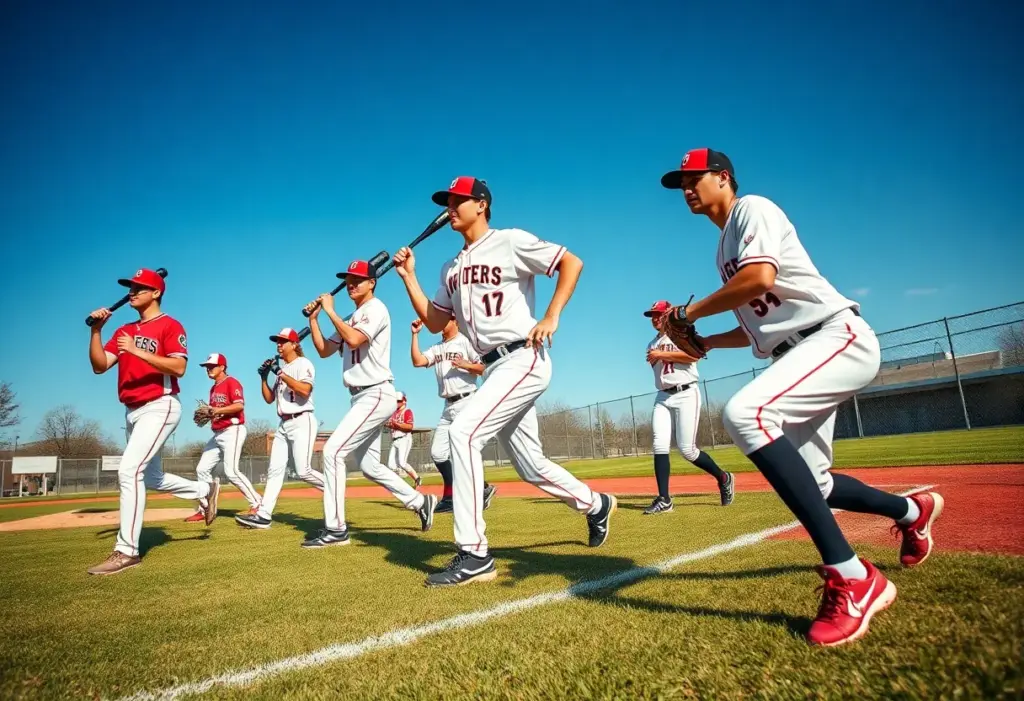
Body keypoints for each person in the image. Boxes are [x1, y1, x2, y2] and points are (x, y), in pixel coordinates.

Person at [660, 148, 944, 646]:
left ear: (724, 178)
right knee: (818, 484)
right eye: (680, 181)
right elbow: (758, 328)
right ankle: (911, 512)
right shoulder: (724, 249)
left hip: (835, 338)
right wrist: (703, 341)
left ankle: (853, 577)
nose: (686, 187)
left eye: (694, 177)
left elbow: (760, 280)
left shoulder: (754, 210)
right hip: (798, 349)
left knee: (745, 413)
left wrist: (690, 312)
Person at [393, 176, 616, 587]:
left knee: (462, 434)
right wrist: (409, 277)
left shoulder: (509, 240)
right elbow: (436, 321)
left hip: (522, 357)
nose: (451, 207)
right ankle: (596, 504)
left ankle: (475, 554)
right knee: (531, 466)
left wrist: (551, 316)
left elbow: (571, 262)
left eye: (459, 200)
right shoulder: (451, 267)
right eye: (448, 202)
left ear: (481, 205)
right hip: (493, 369)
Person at [86, 268, 218, 575]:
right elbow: (100, 365)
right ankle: (204, 490)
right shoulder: (122, 330)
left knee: (129, 470)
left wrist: (136, 350)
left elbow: (179, 367)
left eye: (139, 287)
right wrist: (96, 332)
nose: (132, 292)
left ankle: (126, 551)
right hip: (131, 410)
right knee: (151, 477)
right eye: (130, 288)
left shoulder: (170, 325)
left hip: (160, 405)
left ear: (156, 292)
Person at [302, 260, 437, 548]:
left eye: (358, 279)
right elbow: (325, 350)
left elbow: (352, 340)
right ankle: (420, 501)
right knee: (369, 465)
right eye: (348, 279)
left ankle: (336, 529)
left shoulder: (375, 309)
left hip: (376, 392)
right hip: (360, 396)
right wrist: (314, 320)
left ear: (372, 283)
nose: (351, 284)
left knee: (332, 452)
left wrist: (329, 310)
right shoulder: (352, 315)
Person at [641, 301, 733, 514]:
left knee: (687, 450)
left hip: (686, 393)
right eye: (652, 315)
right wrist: (659, 353)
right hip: (663, 396)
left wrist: (663, 355)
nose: (654, 318)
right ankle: (664, 499)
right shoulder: (651, 344)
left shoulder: (681, 336)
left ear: (668, 315)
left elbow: (695, 356)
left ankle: (723, 477)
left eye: (658, 314)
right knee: (659, 444)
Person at [235, 329, 325, 529]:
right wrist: (264, 378)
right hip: (283, 424)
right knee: (275, 470)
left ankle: (333, 489)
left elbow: (304, 390)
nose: (279, 344)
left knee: (303, 470)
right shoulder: (281, 369)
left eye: (283, 341)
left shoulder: (303, 364)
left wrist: (279, 372)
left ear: (294, 344)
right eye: (277, 341)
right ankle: (264, 515)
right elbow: (269, 399)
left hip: (302, 419)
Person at [410, 318, 497, 513]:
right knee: (438, 453)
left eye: (445, 318)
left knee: (461, 450)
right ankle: (482, 488)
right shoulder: (437, 347)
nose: (440, 321)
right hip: (447, 406)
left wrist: (466, 365)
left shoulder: (465, 341)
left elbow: (484, 367)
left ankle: (451, 497)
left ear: (455, 320)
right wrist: (415, 335)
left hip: (467, 400)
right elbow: (417, 361)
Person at [185, 353, 261, 523]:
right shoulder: (213, 388)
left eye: (212, 366)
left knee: (231, 471)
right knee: (202, 469)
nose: (208, 369)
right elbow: (216, 410)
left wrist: (216, 411)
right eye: (207, 367)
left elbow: (239, 405)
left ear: (222, 367)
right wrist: (209, 415)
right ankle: (206, 507)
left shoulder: (231, 382)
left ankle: (257, 502)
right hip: (218, 433)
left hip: (232, 430)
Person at [385, 391, 421, 486]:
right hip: (394, 440)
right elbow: (391, 425)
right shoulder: (393, 413)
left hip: (404, 438)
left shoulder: (407, 411)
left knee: (402, 462)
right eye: (396, 401)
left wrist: (397, 425)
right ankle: (401, 481)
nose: (397, 403)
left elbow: (409, 427)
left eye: (399, 401)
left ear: (404, 401)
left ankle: (416, 478)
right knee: (390, 465)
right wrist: (389, 425)